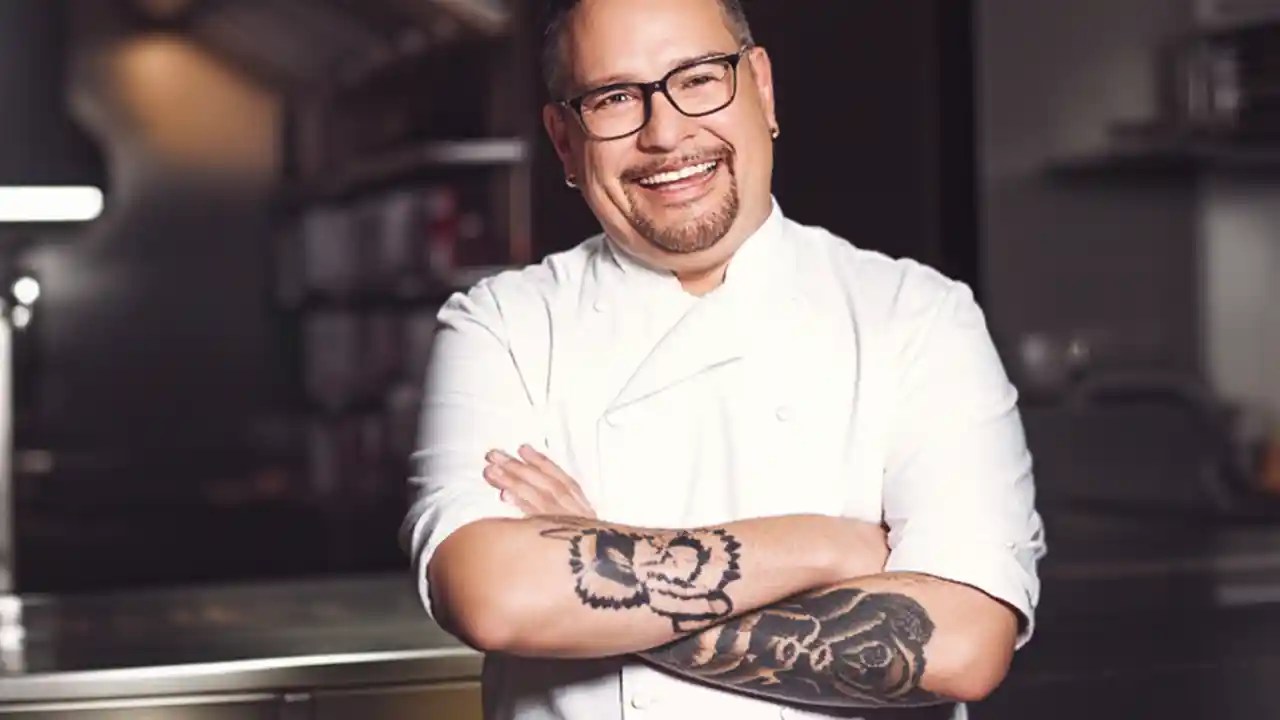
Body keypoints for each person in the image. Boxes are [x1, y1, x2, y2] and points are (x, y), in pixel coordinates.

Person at [401, 0, 1046, 718]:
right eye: (615, 98)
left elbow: (960, 647)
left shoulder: (918, 316)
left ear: (762, 89)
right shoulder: (503, 325)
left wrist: (592, 579)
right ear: (564, 142)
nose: (667, 132)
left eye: (700, 78)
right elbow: (495, 596)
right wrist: (826, 547)